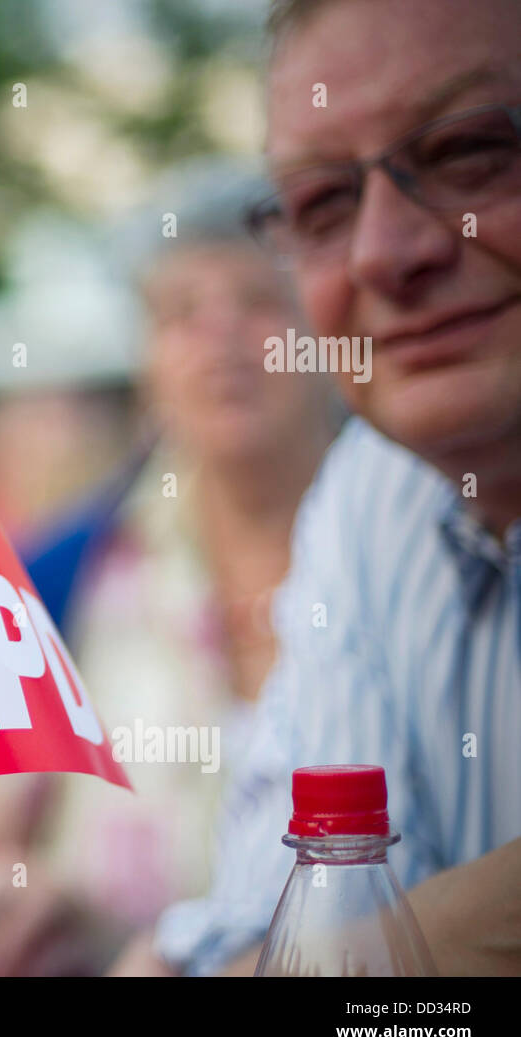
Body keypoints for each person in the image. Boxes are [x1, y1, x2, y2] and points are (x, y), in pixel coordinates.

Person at [115, 0, 521, 977]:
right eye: (322, 204)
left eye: (469, 150)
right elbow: (264, 923)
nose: (389, 249)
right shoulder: (372, 500)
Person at [0, 167, 337, 976]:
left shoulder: (422, 547)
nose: (221, 337)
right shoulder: (69, 568)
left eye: (259, 302)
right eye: (180, 313)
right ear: (145, 360)